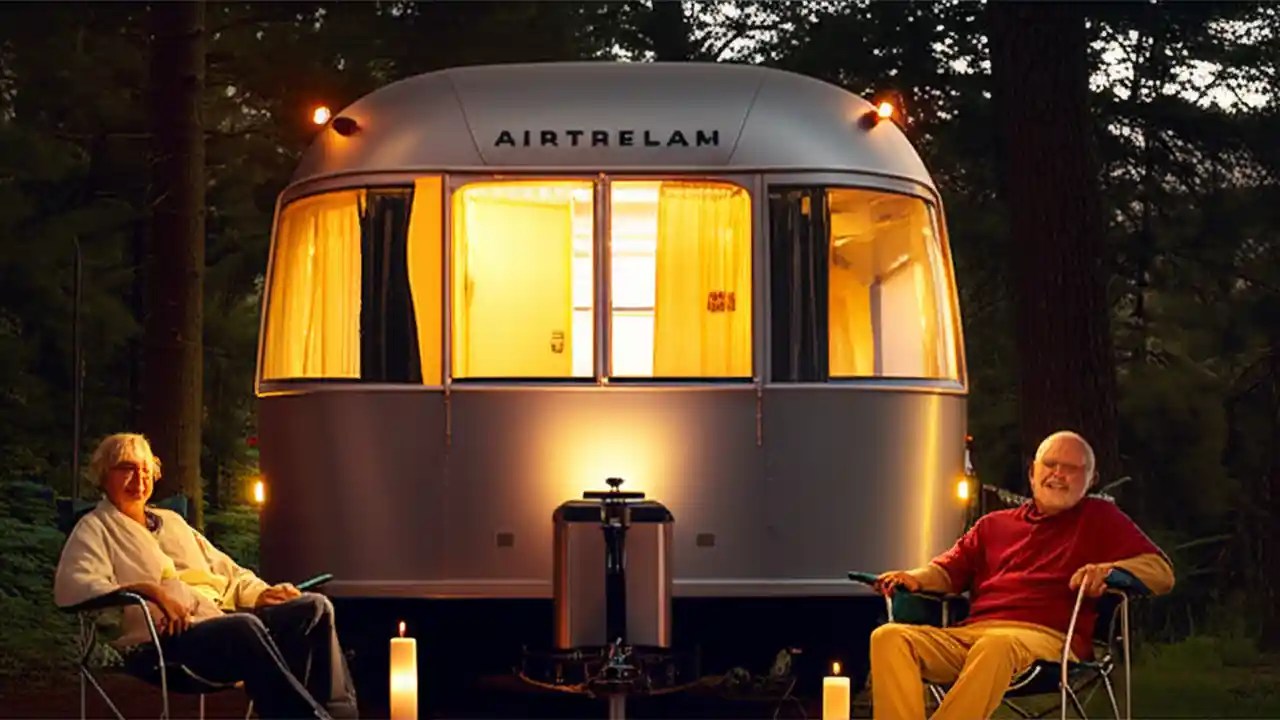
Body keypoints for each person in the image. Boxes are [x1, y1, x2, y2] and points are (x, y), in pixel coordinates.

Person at [868, 430, 1174, 720]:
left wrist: (1109, 571)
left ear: (1091, 479)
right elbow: (946, 572)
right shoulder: (993, 526)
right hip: (972, 636)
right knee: (890, 638)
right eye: (1050, 465)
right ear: (1032, 473)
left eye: (1070, 468)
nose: (1057, 474)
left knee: (997, 646)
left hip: (1049, 641)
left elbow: (1161, 572)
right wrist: (914, 578)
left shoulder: (1100, 518)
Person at [54, 432, 358, 719]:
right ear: (104, 475)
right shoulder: (95, 527)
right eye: (127, 468)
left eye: (146, 470)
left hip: (222, 624)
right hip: (168, 641)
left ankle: (341, 716)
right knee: (244, 625)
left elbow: (226, 571)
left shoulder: (172, 522)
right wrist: (151, 591)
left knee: (314, 607)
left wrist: (260, 593)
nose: (139, 478)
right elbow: (75, 585)